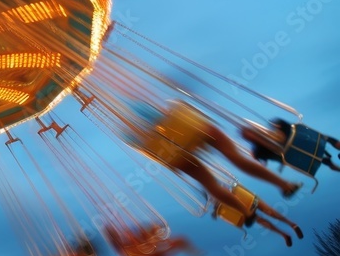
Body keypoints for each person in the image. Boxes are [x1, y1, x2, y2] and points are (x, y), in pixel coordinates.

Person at [126, 100, 301, 224]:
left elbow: (141, 144)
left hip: (169, 150)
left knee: (210, 184)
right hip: (187, 125)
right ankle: (284, 185)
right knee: (235, 157)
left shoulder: (130, 132)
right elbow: (160, 112)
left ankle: (246, 212)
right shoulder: (141, 108)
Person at [212, 183, 303, 247]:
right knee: (262, 216)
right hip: (237, 202)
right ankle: (286, 231)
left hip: (239, 196)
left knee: (264, 213)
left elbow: (225, 184)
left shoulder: (211, 180)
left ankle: (288, 228)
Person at [242, 118, 340, 173]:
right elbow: (264, 160)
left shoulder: (279, 129)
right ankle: (331, 163)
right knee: (319, 150)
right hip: (300, 151)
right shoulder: (259, 150)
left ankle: (332, 161)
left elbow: (286, 127)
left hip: (303, 147)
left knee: (322, 144)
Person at [103, 223, 200, 256]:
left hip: (149, 255)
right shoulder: (126, 248)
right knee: (179, 242)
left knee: (179, 242)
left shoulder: (128, 242)